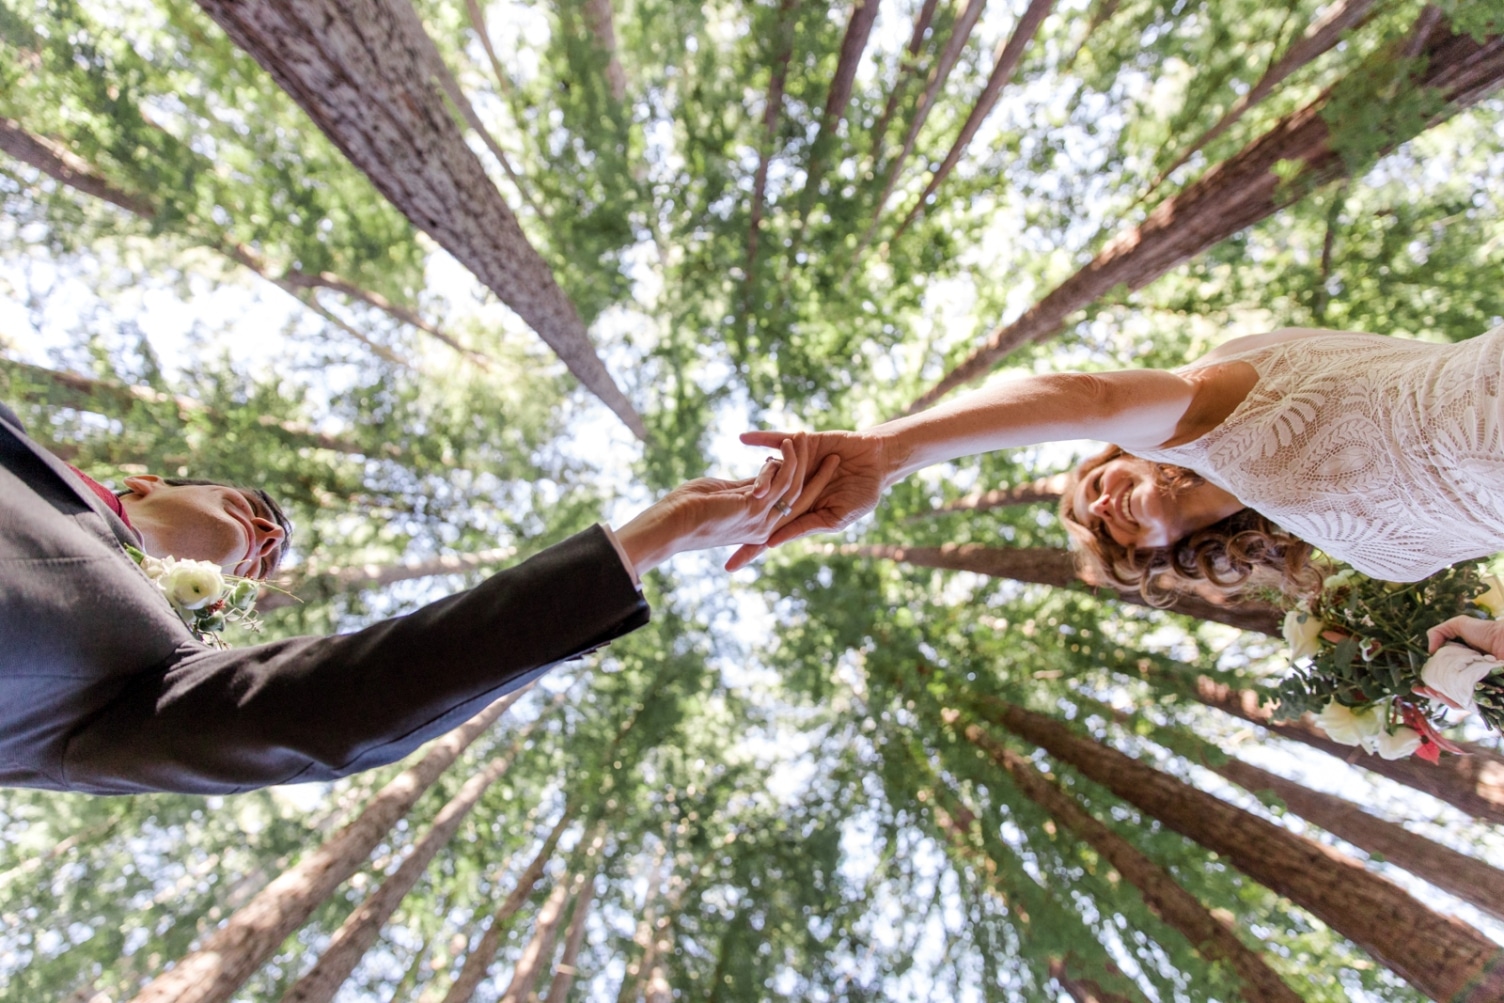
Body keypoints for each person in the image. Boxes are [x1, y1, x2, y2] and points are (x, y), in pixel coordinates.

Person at [0, 401, 836, 795]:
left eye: (267, 554)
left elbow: (332, 706)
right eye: (251, 510)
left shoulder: (150, 678)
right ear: (141, 484)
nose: (261, 536)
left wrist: (648, 540)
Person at [730, 324, 1504, 601]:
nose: (1101, 507)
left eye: (1092, 485)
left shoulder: (1206, 411)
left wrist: (891, 449)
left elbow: (1090, 395)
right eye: (1113, 540)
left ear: (1129, 451)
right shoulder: (1330, 545)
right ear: (1163, 556)